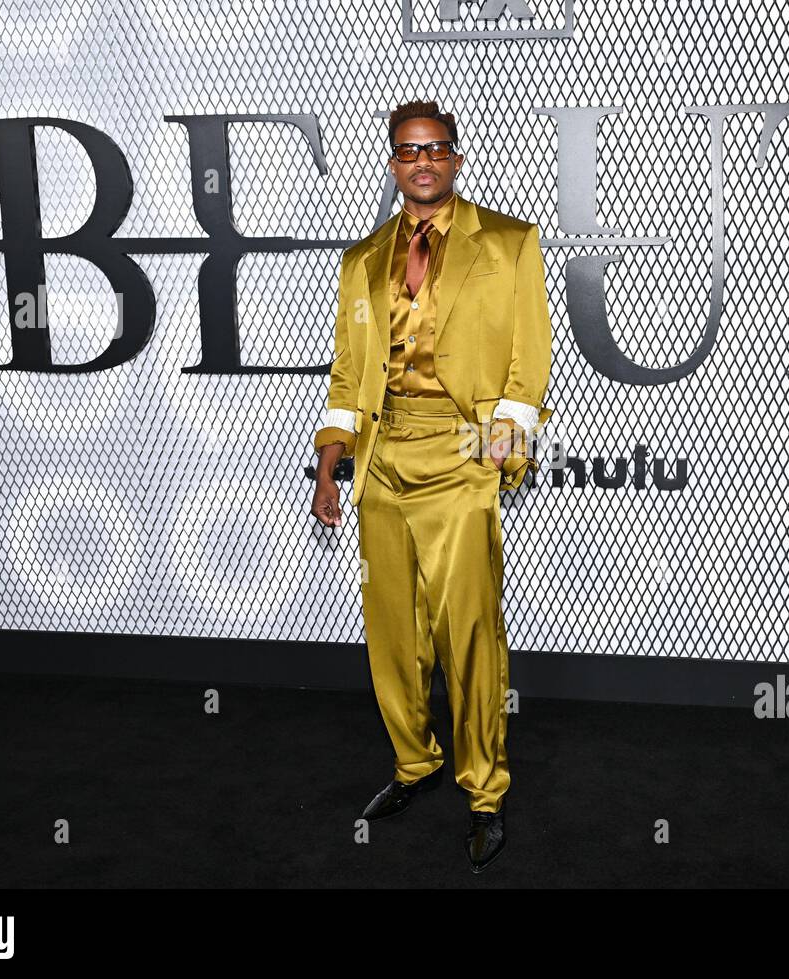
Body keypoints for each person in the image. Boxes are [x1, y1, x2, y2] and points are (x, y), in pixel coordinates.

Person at [310, 99, 553, 873]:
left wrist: (496, 453)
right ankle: (414, 762)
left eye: (436, 148)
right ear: (392, 162)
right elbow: (348, 375)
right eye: (409, 151)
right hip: (381, 463)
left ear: (455, 157)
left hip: (459, 458)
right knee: (393, 632)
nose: (423, 161)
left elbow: (528, 365)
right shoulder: (362, 259)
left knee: (470, 634)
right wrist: (330, 461)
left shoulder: (510, 243)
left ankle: (484, 789)